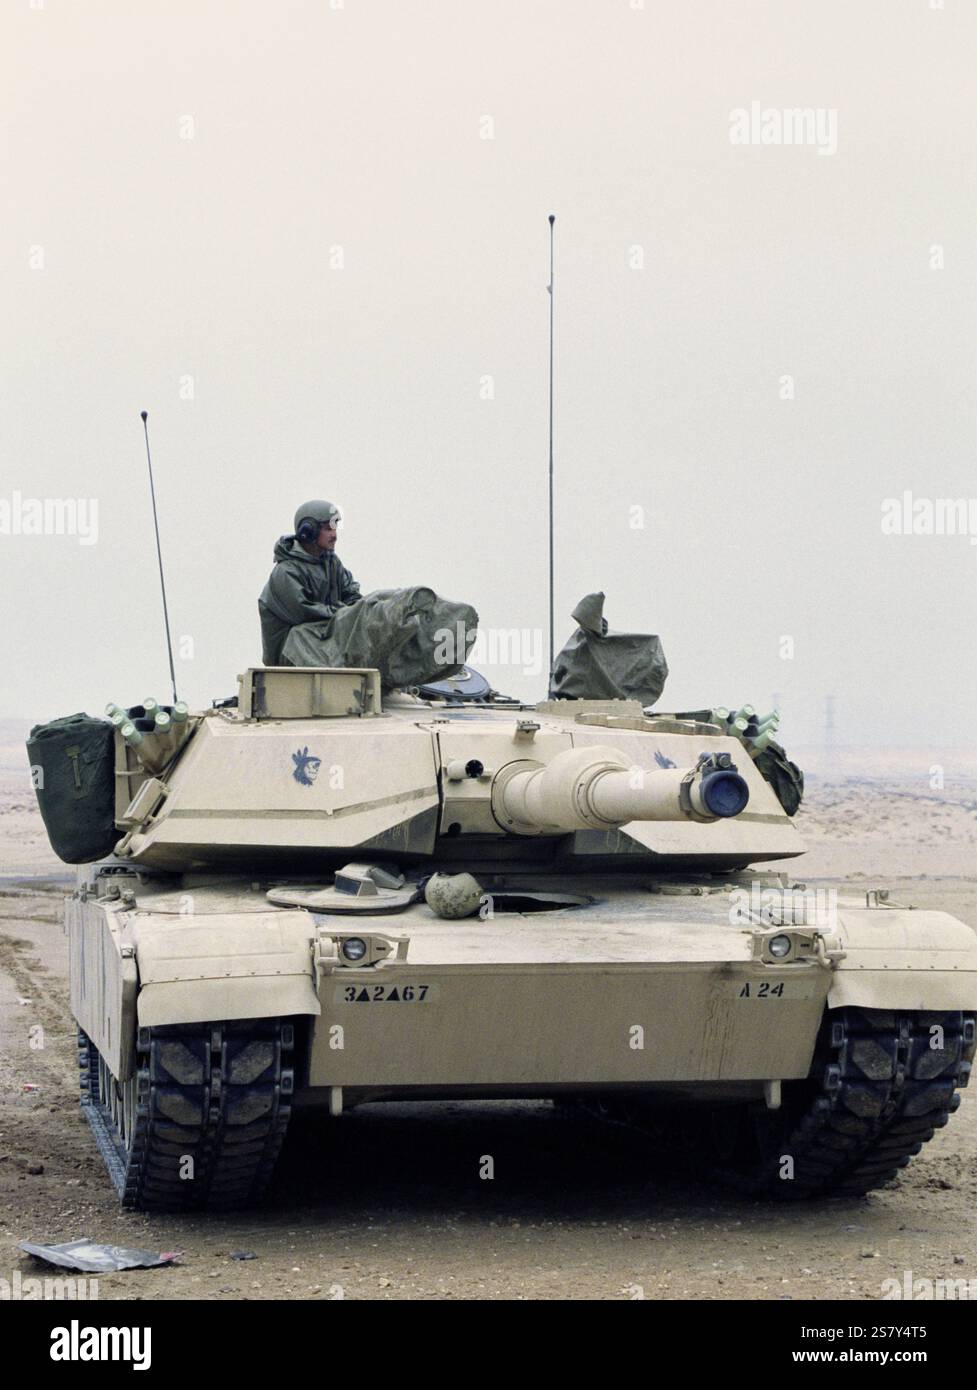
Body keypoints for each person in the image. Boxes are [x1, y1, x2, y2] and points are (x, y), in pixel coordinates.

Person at [258, 500, 362, 665]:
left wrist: (362, 611)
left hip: (324, 651)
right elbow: (305, 614)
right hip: (291, 655)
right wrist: (346, 613)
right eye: (328, 529)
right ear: (308, 531)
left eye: (335, 528)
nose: (334, 535)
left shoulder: (332, 564)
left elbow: (352, 595)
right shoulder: (286, 572)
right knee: (303, 632)